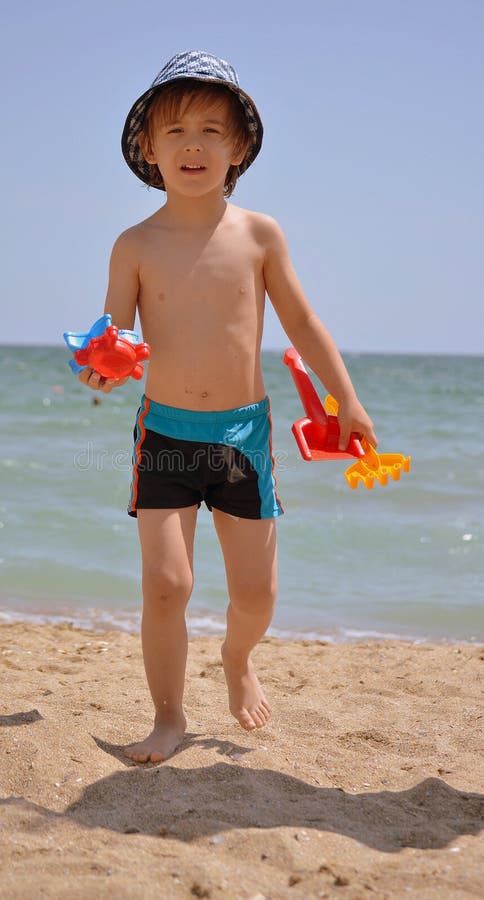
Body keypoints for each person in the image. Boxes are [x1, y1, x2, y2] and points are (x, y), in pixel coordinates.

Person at [78, 50, 377, 763]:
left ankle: (238, 659)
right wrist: (102, 366)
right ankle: (169, 717)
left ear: (238, 148)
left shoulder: (258, 235)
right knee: (166, 585)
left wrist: (347, 399)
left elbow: (302, 322)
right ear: (148, 149)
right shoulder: (134, 245)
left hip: (243, 435)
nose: (194, 145)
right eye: (175, 131)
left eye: (212, 131)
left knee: (256, 595)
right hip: (166, 433)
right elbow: (114, 336)